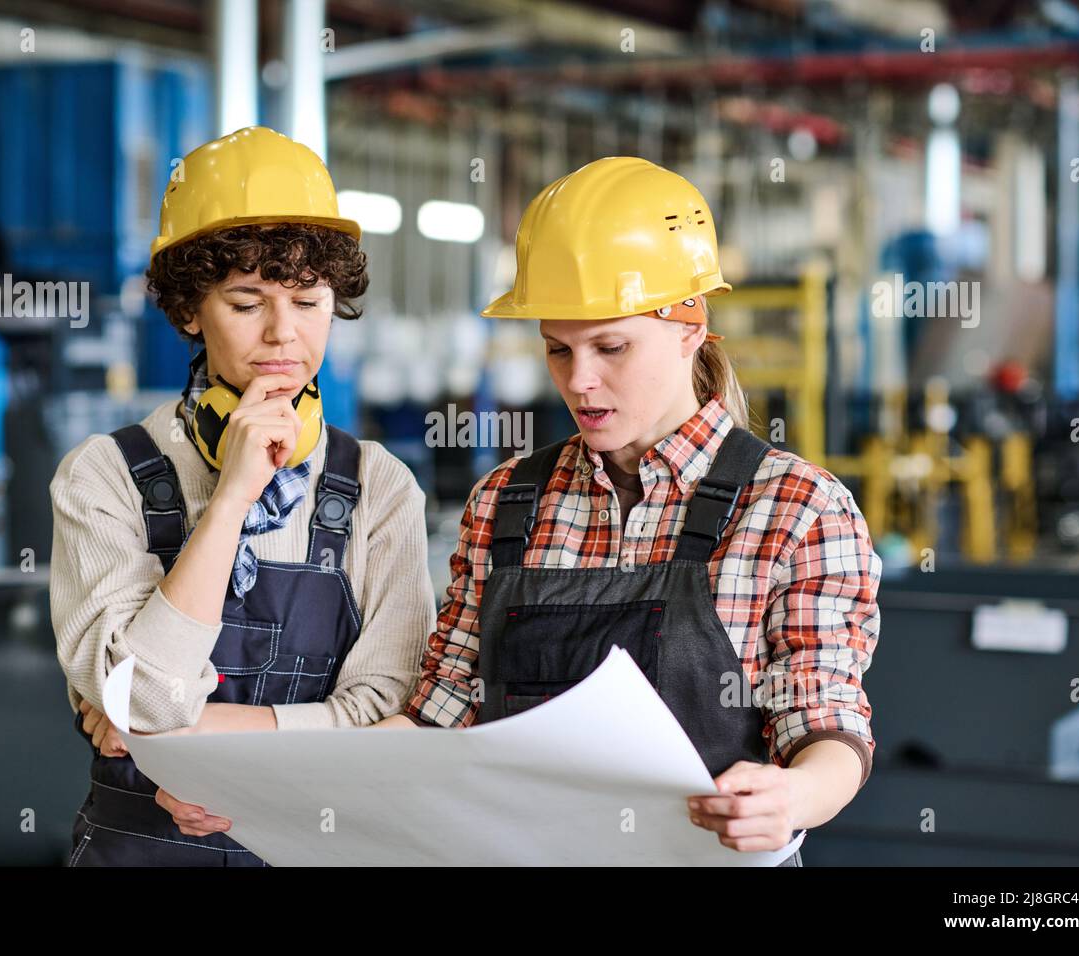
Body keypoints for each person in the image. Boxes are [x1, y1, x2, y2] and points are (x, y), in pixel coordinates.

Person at [377, 157, 882, 866]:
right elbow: (443, 710)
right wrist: (288, 786)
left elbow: (823, 717)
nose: (580, 381)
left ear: (689, 328)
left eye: (611, 346)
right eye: (558, 349)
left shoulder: (795, 509)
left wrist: (791, 798)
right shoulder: (506, 502)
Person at [49, 127, 434, 866]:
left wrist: (191, 742)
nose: (283, 336)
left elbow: (383, 716)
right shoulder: (102, 476)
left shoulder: (380, 487)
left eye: (308, 301)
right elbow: (147, 700)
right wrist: (231, 499)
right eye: (247, 301)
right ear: (190, 309)